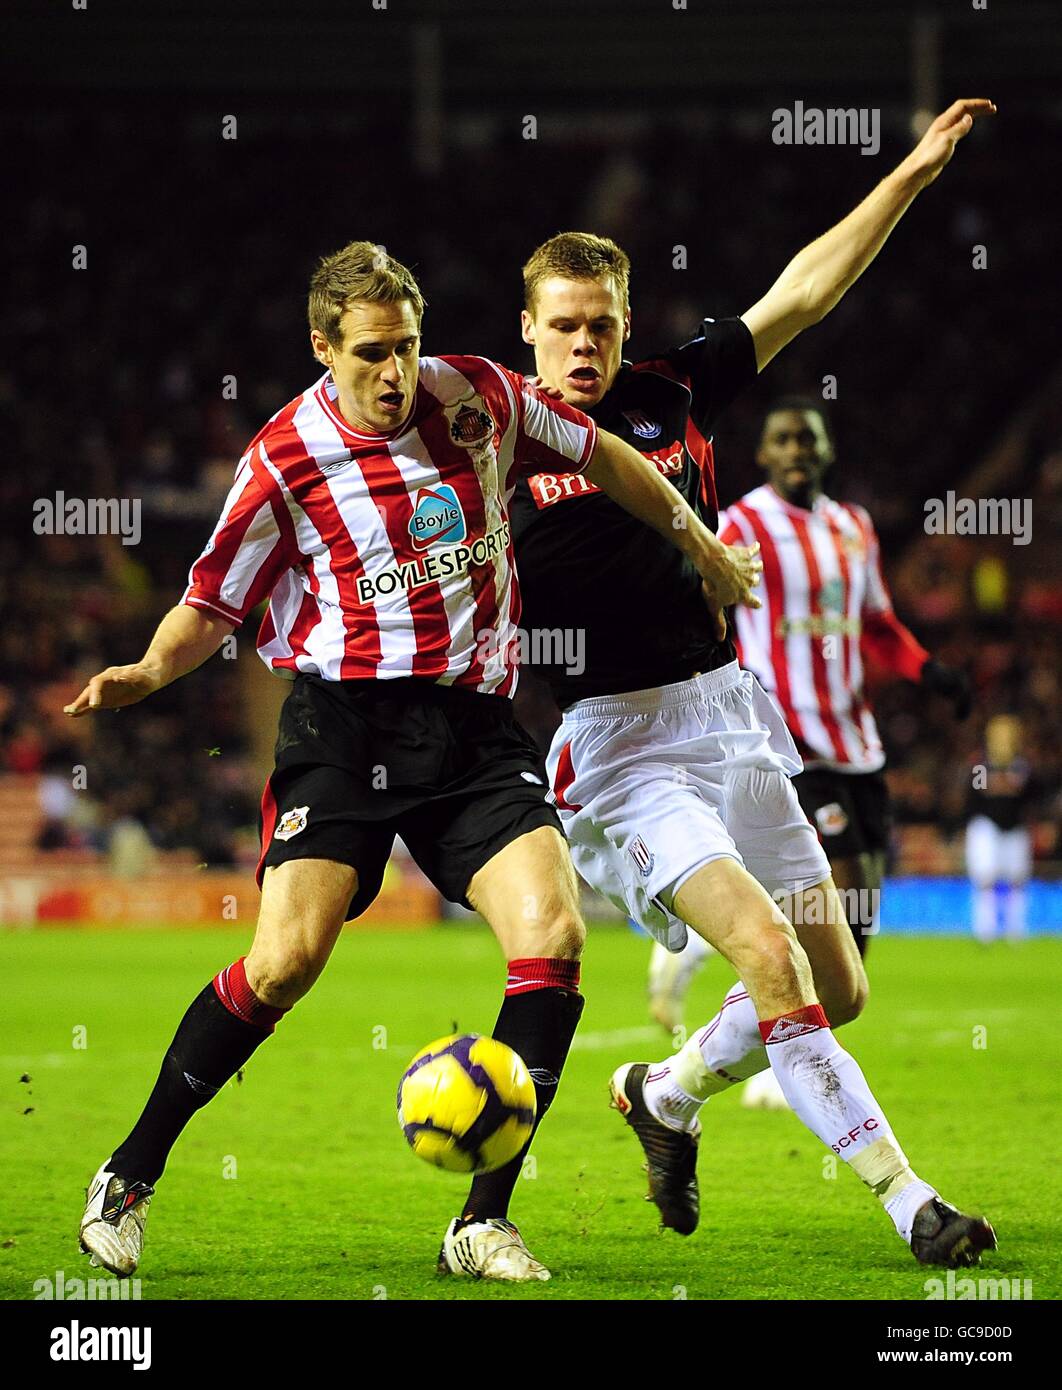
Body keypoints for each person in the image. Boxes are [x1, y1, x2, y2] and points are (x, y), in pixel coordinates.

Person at [67, 240, 760, 1285]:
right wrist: (146, 673)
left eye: (408, 347)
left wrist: (700, 541)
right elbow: (211, 603)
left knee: (554, 934)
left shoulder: (480, 396)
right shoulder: (283, 461)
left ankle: (481, 1222)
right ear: (322, 348)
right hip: (345, 732)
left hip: (474, 730)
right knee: (283, 963)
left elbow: (607, 455)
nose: (396, 374)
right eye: (372, 355)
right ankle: (127, 1172)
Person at [510, 100, 996, 1266]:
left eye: (603, 327)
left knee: (845, 982)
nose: (585, 346)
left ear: (626, 327)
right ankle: (908, 1199)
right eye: (565, 326)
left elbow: (804, 290)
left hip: (731, 720)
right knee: (769, 959)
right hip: (621, 750)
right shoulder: (495, 448)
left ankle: (664, 1093)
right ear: (526, 330)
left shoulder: (670, 394)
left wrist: (911, 179)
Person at [668, 396, 972, 1109]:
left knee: (862, 894)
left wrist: (929, 671)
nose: (798, 449)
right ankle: (784, 1047)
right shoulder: (740, 522)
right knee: (823, 888)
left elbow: (875, 623)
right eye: (783, 439)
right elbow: (703, 598)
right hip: (789, 741)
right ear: (764, 454)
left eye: (809, 438)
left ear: (826, 449)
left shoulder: (851, 528)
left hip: (855, 742)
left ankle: (800, 1028)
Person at [965, 714, 1034, 942]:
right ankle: (986, 930)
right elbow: (975, 794)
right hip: (987, 825)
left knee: (1017, 878)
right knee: (985, 878)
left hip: (1015, 826)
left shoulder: (1022, 766)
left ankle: (1016, 931)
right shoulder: (981, 765)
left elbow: (1031, 794)